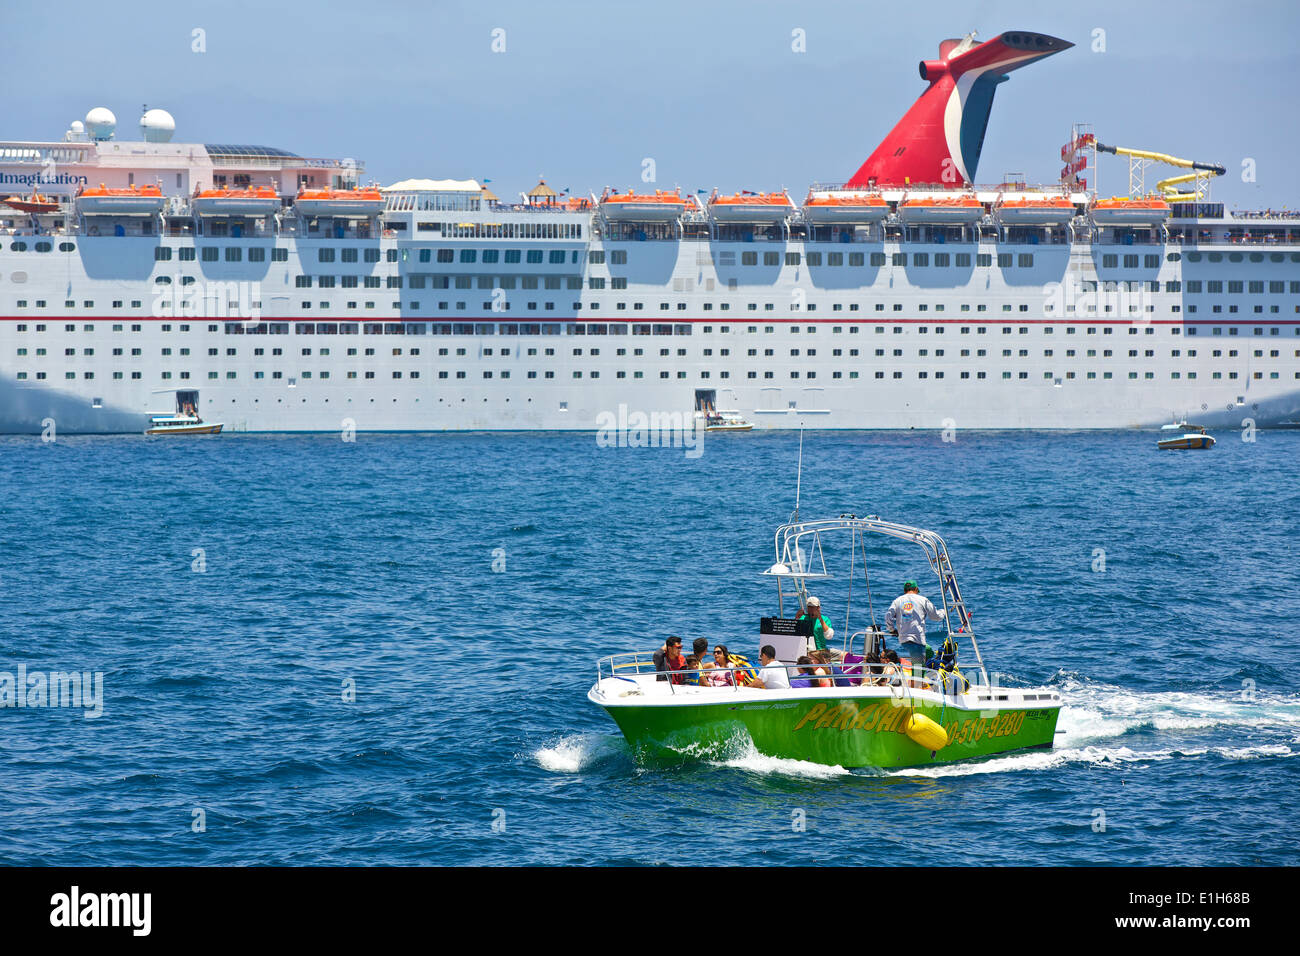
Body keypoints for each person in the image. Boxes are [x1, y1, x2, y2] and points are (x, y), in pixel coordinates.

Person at [884, 580, 946, 675]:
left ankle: (921, 679)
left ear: (905, 590)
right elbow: (935, 616)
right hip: (917, 639)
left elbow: (888, 616)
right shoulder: (922, 600)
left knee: (928, 652)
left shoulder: (897, 601)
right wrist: (943, 612)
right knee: (918, 670)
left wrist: (891, 630)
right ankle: (917, 686)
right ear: (916, 589)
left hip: (903, 639)